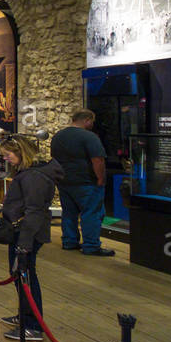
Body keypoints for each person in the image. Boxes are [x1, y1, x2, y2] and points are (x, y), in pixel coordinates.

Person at [0, 136, 63, 342]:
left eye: (8, 155)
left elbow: (34, 211)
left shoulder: (34, 177)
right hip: (23, 232)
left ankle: (33, 325)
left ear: (21, 152)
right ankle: (25, 315)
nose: (6, 159)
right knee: (19, 273)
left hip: (27, 234)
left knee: (26, 276)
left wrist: (24, 243)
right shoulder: (29, 174)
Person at [50, 108, 113, 256]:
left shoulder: (58, 136)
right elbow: (98, 159)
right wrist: (101, 179)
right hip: (86, 181)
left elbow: (55, 159)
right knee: (91, 213)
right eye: (92, 121)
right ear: (87, 120)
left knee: (69, 213)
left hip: (64, 181)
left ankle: (69, 241)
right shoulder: (89, 137)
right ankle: (91, 245)